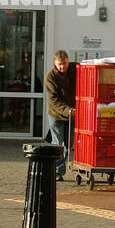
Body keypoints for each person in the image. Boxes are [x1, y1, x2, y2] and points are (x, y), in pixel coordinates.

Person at [44, 49, 77, 180]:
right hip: (56, 114)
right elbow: (54, 100)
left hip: (72, 114)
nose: (62, 67)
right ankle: (58, 171)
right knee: (58, 143)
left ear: (69, 61)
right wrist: (68, 110)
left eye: (65, 63)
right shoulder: (50, 76)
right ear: (55, 63)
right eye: (60, 64)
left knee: (70, 144)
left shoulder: (75, 69)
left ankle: (65, 167)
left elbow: (88, 68)